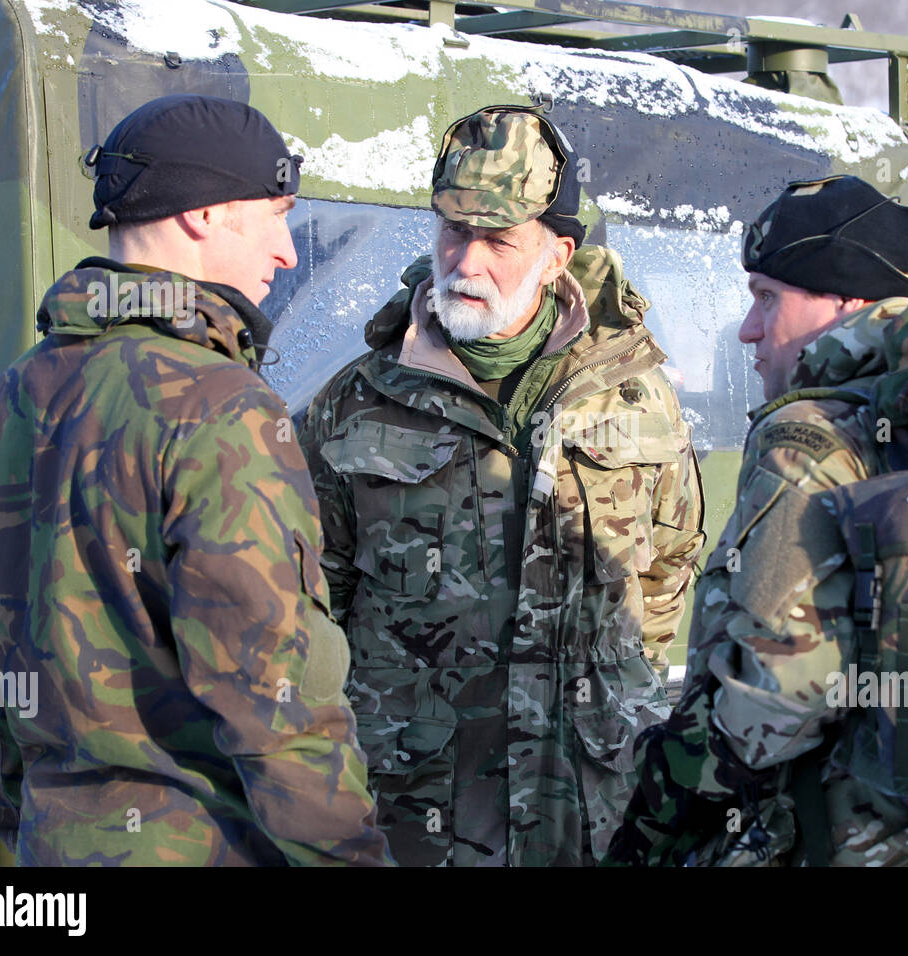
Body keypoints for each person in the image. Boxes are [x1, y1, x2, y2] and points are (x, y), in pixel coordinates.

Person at [0, 93, 391, 866]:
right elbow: (277, 698)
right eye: (274, 213)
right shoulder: (219, 408)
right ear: (204, 214)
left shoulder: (1, 403)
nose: (286, 251)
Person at [607, 175, 908, 866]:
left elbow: (770, 703)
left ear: (849, 302)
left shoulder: (813, 436)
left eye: (769, 297)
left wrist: (652, 812)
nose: (747, 329)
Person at [299, 105, 704, 866]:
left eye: (498, 239)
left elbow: (665, 571)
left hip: (591, 812)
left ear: (558, 253)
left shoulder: (634, 394)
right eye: (454, 231)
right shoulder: (353, 405)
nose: (467, 260)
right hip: (420, 815)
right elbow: (314, 607)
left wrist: (612, 706)